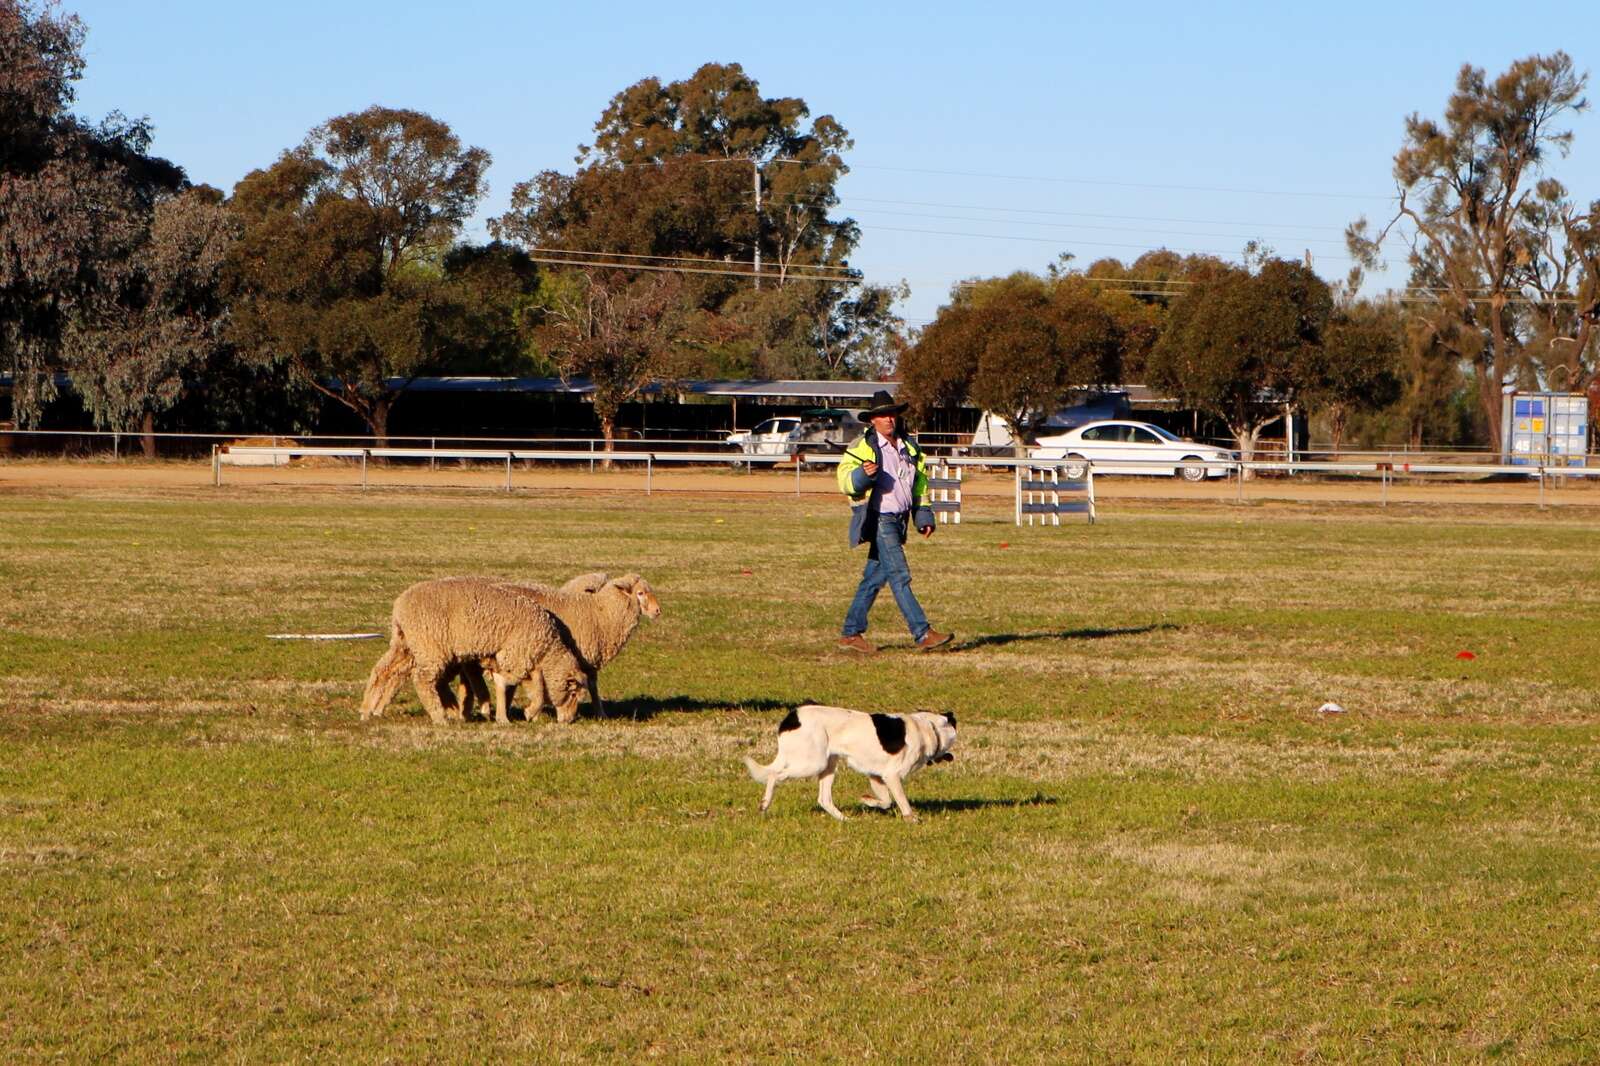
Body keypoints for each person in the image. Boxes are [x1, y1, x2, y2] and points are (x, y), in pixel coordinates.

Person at [834, 390, 953, 653]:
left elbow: (919, 483)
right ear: (872, 420)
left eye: (892, 414)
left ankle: (851, 633)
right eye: (883, 415)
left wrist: (923, 515)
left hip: (899, 520)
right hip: (880, 519)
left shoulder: (909, 447)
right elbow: (845, 482)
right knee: (900, 575)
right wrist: (863, 475)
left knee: (873, 579)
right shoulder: (860, 447)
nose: (889, 419)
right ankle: (922, 633)